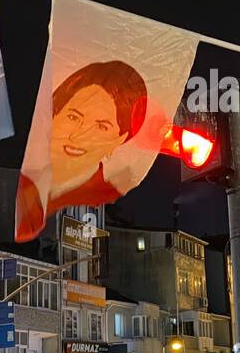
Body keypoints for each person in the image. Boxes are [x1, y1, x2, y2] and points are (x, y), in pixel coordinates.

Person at [16, 60, 148, 241]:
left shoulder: (100, 196)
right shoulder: (21, 181)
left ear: (119, 140)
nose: (79, 137)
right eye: (73, 117)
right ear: (55, 113)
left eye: (101, 127)